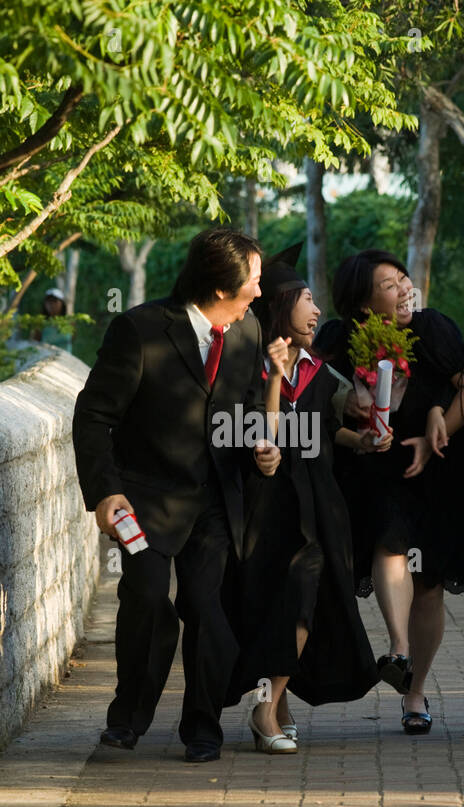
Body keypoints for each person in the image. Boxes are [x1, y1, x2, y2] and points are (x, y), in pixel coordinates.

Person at [71, 228, 280, 763]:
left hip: (214, 502)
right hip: (143, 501)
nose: (260, 291)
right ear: (218, 287)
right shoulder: (140, 330)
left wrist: (261, 444)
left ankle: (203, 727)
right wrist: (104, 492)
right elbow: (94, 416)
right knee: (144, 596)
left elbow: (249, 406)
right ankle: (128, 717)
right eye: (253, 282)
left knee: (207, 608)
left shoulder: (248, 330)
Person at [312, 250, 464, 735]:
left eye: (403, 277)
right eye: (389, 285)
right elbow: (310, 391)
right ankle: (398, 648)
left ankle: (415, 692)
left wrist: (438, 429)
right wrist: (348, 402)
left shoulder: (433, 329)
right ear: (366, 305)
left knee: (430, 586)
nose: (404, 287)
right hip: (372, 468)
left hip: (431, 471)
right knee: (390, 545)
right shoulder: (339, 337)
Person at [223, 244, 383, 754]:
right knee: (284, 601)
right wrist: (273, 378)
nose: (317, 311)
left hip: (319, 505)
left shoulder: (316, 369)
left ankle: (272, 706)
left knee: (307, 601)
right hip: (269, 506)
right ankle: (269, 706)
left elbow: (322, 430)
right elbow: (262, 431)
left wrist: (360, 441)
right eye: (307, 299)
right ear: (281, 303)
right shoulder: (248, 363)